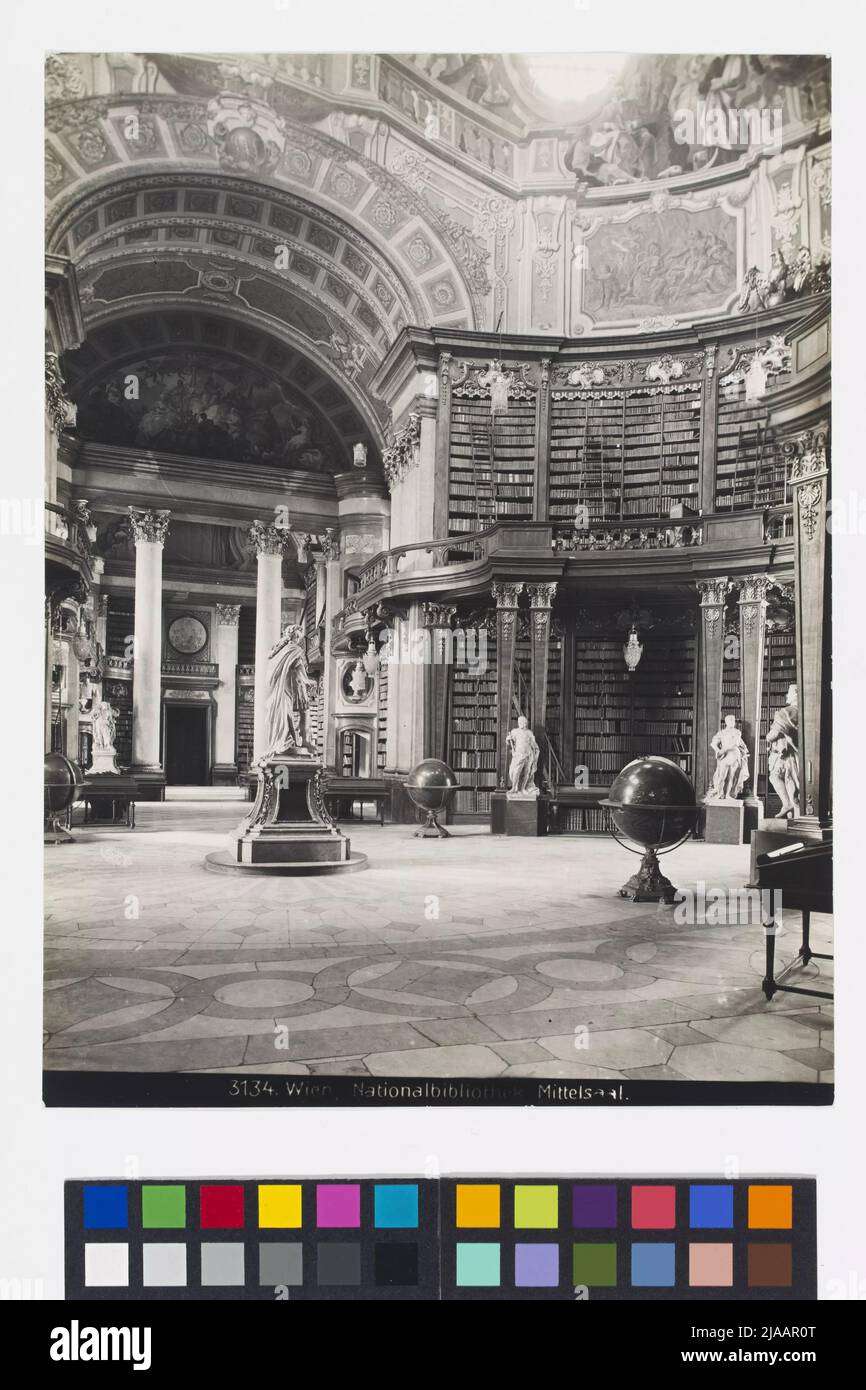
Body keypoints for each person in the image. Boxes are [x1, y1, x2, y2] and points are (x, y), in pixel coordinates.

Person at [262, 625, 318, 758]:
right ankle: (300, 740)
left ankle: (294, 739)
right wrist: (308, 681)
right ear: (292, 636)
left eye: (299, 637)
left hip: (287, 684)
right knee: (302, 711)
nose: (298, 639)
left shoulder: (282, 651)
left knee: (289, 711)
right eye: (297, 636)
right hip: (294, 684)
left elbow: (276, 670)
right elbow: (300, 670)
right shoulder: (295, 650)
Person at [767, 684, 800, 817]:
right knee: (794, 783)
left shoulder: (785, 713)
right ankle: (794, 810)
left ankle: (787, 804)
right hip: (800, 754)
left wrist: (768, 737)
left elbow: (772, 735)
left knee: (776, 777)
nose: (787, 695)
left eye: (789, 693)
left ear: (796, 694)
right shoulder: (807, 712)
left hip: (786, 755)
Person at [706, 715, 749, 801]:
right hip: (725, 755)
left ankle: (729, 795)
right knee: (721, 775)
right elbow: (713, 743)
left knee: (731, 776)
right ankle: (719, 793)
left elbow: (735, 743)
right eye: (730, 720)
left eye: (733, 720)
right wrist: (718, 750)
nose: (732, 722)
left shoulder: (737, 732)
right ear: (726, 722)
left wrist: (724, 749)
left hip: (734, 754)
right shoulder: (721, 733)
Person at [506, 716, 539, 795]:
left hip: (528, 755)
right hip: (519, 755)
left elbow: (533, 744)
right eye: (520, 722)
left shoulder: (529, 733)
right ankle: (514, 788)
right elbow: (509, 742)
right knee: (516, 772)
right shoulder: (515, 731)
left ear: (526, 723)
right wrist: (508, 739)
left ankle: (522, 788)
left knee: (526, 773)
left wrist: (535, 751)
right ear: (518, 723)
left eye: (523, 722)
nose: (522, 724)